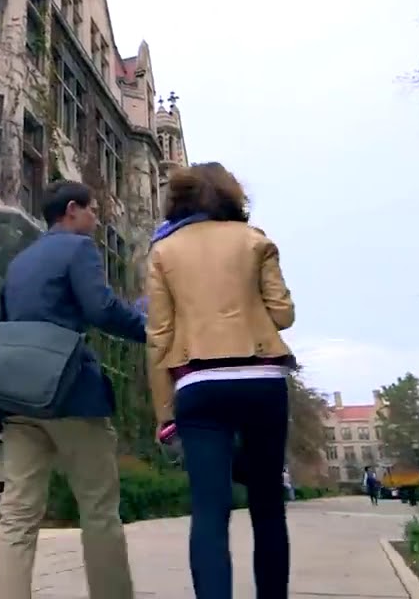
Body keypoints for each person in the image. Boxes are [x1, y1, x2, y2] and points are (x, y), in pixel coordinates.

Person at [0, 180, 147, 599]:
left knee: (17, 516)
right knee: (98, 510)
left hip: (17, 398)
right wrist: (149, 327)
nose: (95, 219)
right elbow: (101, 308)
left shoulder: (19, 262)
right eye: (92, 210)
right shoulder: (78, 249)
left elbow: (2, 321)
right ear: (72, 210)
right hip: (69, 392)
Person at [145, 162, 296, 599]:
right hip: (261, 377)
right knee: (268, 507)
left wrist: (164, 413)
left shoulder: (164, 251)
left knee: (209, 513)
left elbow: (158, 337)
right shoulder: (255, 241)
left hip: (199, 383)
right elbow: (283, 315)